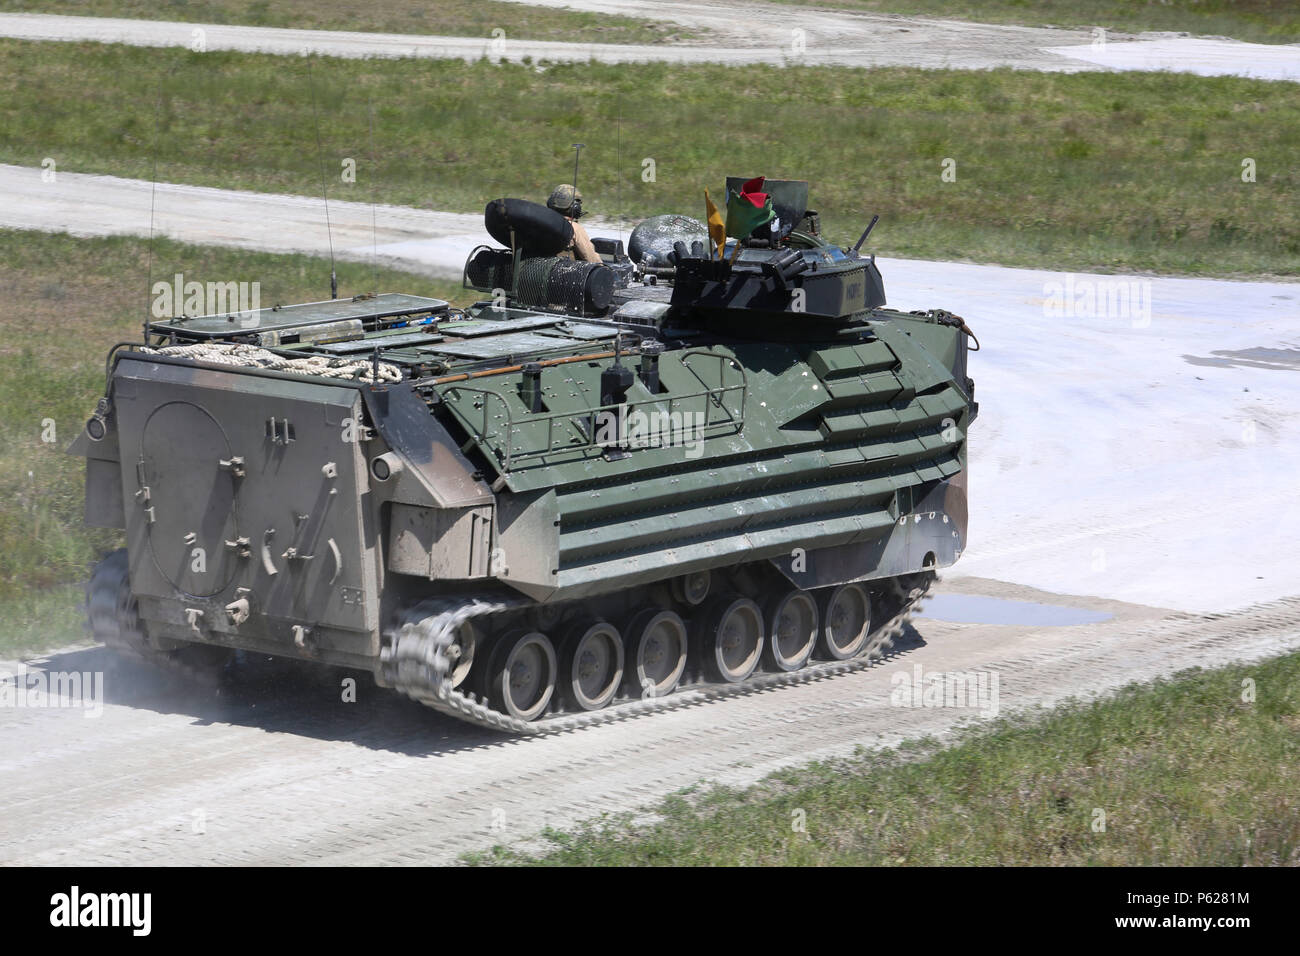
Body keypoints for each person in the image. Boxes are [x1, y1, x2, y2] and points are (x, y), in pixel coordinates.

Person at [546, 184, 601, 264]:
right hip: (564, 273)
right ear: (575, 208)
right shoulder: (574, 228)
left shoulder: (541, 222)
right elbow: (592, 259)